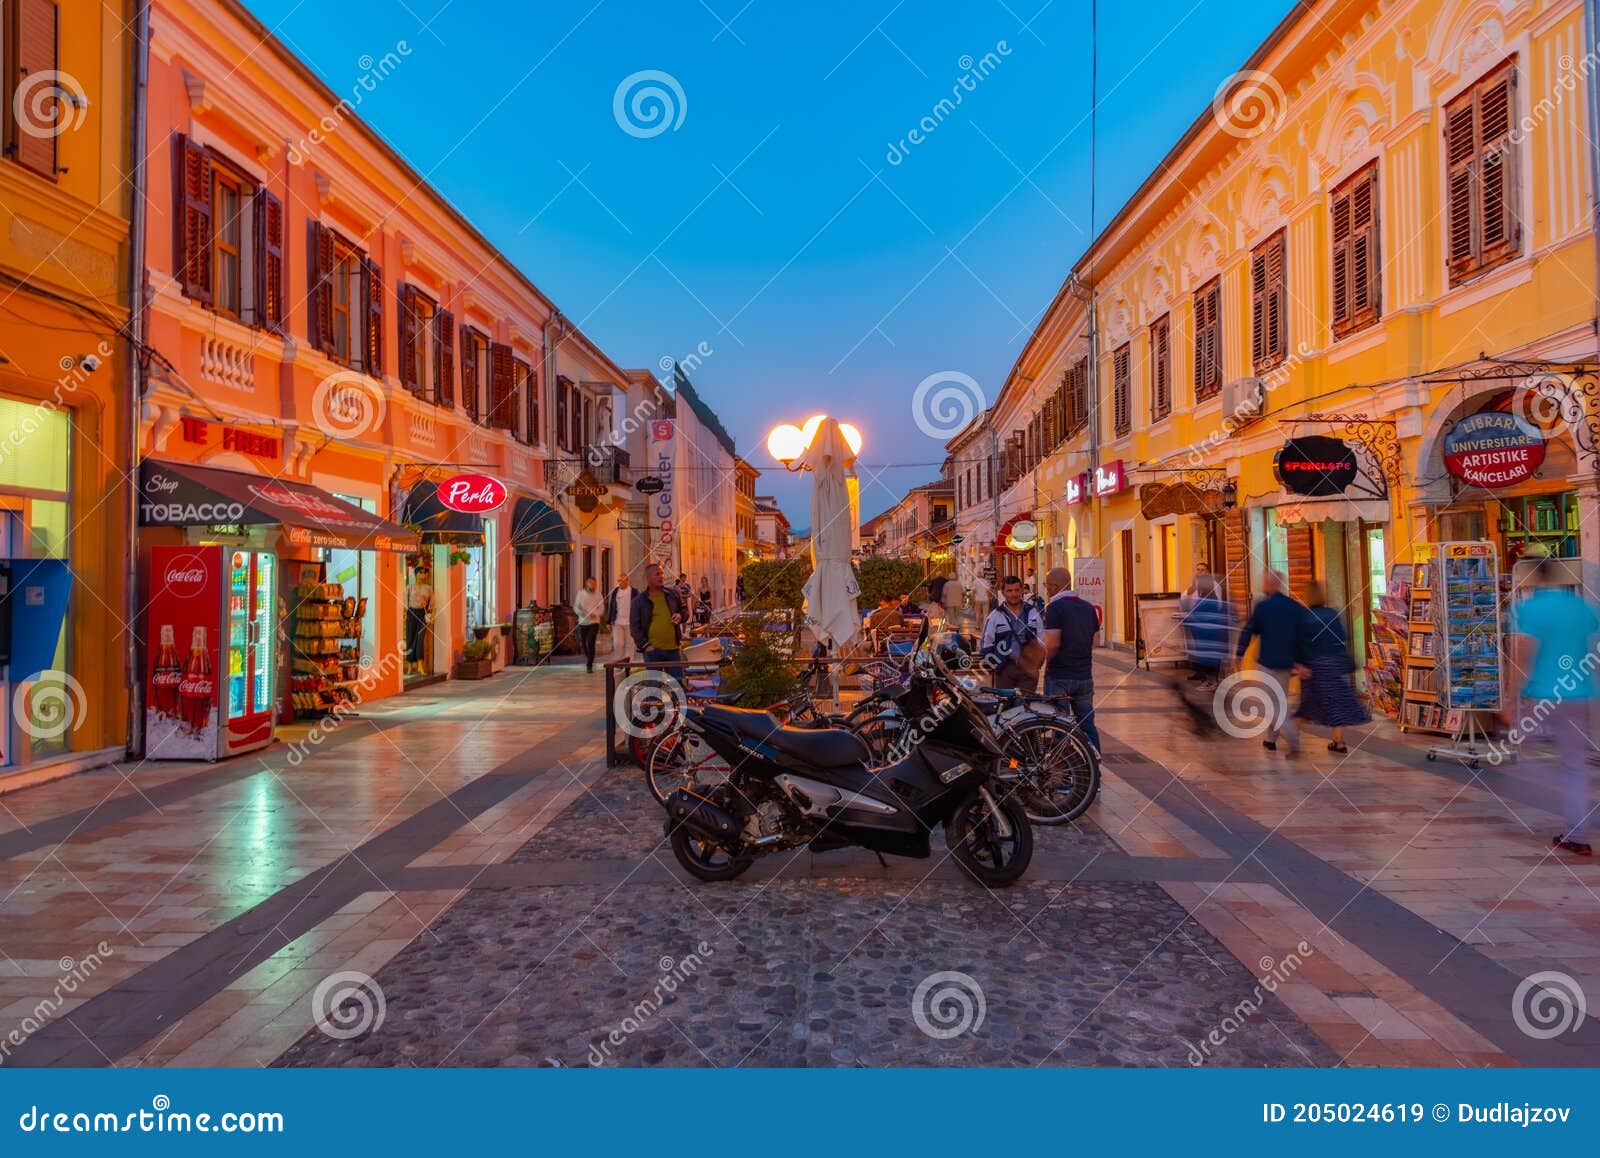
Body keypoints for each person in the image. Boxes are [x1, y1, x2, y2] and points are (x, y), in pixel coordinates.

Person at [1508, 555, 1599, 856]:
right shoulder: (1581, 607)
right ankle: (1577, 832)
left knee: (1526, 761)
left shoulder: (1528, 609)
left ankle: (1564, 809)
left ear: (1531, 578)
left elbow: (1522, 651)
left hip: (1543, 697)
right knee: (1575, 766)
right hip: (1579, 694)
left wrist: (1510, 697)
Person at [1235, 569, 1307, 756]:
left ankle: (1293, 739)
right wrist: (1300, 661)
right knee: (1278, 700)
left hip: (1268, 662)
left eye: (1265, 582)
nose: (1263, 586)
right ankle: (1271, 740)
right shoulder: (1294, 607)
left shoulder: (1263, 607)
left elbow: (1249, 629)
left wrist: (1239, 653)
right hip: (1286, 663)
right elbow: (1302, 636)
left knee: (1273, 705)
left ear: (1270, 584)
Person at [1293, 581, 1370, 752]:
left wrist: (1299, 664)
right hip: (1334, 663)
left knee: (1307, 705)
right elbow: (1343, 635)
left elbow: (1298, 643)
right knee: (1337, 702)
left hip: (1314, 666)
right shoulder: (1332, 613)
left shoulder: (1304, 617)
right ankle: (1338, 741)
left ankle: (1293, 738)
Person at [1042, 565, 1101, 750]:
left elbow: (1053, 643)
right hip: (1084, 676)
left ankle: (1064, 770)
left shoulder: (1054, 608)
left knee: (1059, 726)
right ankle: (1093, 764)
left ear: (1054, 586)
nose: (1046, 589)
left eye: (1047, 585)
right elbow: (1096, 641)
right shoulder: (1088, 607)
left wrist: (1044, 663)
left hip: (1059, 676)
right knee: (1087, 725)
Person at [981, 575, 1045, 692]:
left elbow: (1042, 639)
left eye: (1016, 590)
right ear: (1003, 592)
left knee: (1026, 705)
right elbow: (986, 643)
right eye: (1009, 591)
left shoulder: (1032, 613)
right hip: (1005, 670)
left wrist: (1037, 664)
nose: (1014, 594)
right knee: (1006, 706)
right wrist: (996, 665)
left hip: (1028, 670)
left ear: (1022, 590)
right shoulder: (995, 615)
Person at [633, 563, 687, 667]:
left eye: (662, 573)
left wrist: (680, 616)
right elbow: (635, 627)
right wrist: (645, 646)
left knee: (676, 682)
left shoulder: (673, 594)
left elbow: (685, 612)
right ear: (648, 578)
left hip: (673, 649)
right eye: (657, 574)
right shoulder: (639, 601)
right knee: (655, 682)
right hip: (652, 651)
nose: (661, 576)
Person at [574, 577, 605, 674]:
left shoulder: (598, 594)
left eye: (594, 584)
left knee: (591, 642)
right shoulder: (580, 594)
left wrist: (596, 614)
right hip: (583, 622)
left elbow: (602, 607)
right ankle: (589, 657)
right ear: (586, 583)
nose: (593, 585)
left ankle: (589, 665)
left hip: (594, 622)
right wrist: (581, 612)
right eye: (591, 583)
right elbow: (576, 606)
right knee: (584, 644)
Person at [404, 567, 432, 669]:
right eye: (420, 573)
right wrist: (405, 613)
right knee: (410, 637)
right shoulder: (409, 587)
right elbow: (405, 601)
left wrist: (430, 614)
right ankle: (410, 665)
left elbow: (432, 603)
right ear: (415, 574)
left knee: (420, 638)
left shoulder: (428, 588)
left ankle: (420, 664)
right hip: (411, 612)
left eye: (424, 573)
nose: (422, 576)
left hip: (423, 613)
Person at [605, 573, 635, 665]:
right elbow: (612, 606)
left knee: (629, 643)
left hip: (630, 622)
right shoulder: (615, 592)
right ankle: (618, 661)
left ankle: (629, 662)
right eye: (619, 581)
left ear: (627, 581)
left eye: (622, 580)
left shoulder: (634, 591)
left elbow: (638, 607)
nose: (620, 582)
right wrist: (609, 621)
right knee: (617, 643)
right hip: (617, 621)